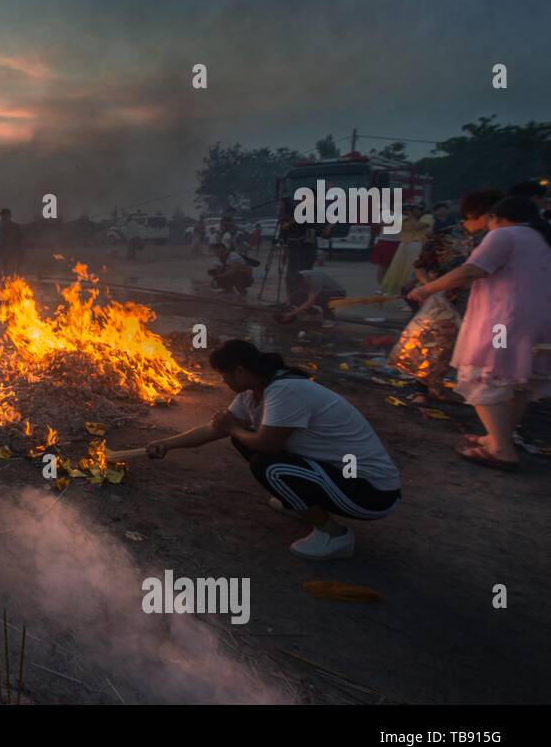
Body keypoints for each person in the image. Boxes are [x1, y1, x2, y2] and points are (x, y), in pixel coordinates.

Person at [145, 340, 401, 560]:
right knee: (246, 442)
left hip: (371, 492)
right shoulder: (254, 392)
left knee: (267, 464)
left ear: (240, 370)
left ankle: (335, 536)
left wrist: (233, 428)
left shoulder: (285, 389)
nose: (224, 382)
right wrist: (167, 444)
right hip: (336, 475)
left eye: (225, 376)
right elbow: (214, 429)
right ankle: (298, 502)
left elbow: (267, 444)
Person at [407, 196, 551, 470]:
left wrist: (427, 289)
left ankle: (502, 450)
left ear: (496, 218)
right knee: (515, 380)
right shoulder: (538, 237)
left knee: (485, 371)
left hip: (503, 321)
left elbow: (470, 271)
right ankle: (498, 437)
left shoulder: (503, 236)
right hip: (536, 319)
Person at [277, 268, 345, 328]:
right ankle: (314, 315)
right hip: (320, 292)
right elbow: (297, 292)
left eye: (300, 284)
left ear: (303, 280)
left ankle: (331, 319)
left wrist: (291, 314)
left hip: (337, 293)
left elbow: (310, 302)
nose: (299, 286)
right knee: (294, 298)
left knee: (321, 297)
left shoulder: (315, 280)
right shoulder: (298, 276)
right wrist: (288, 302)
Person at [0, 207, 24, 276]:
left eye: (4, 216)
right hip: (4, 250)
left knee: (12, 267)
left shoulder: (14, 226)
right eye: (2, 216)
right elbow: (3, 241)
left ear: (8, 216)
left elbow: (19, 239)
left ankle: (12, 277)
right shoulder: (3, 228)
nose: (2, 218)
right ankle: (1, 277)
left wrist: (18, 250)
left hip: (14, 251)